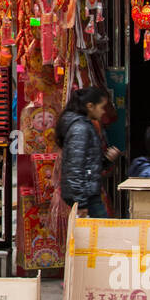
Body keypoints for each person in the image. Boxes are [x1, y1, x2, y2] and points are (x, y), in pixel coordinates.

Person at [55, 85, 120, 219]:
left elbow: (87, 164)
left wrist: (106, 160)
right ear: (90, 106)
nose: (103, 112)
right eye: (101, 107)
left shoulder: (84, 125)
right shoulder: (80, 128)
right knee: (99, 234)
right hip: (86, 197)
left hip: (87, 194)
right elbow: (75, 167)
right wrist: (81, 203)